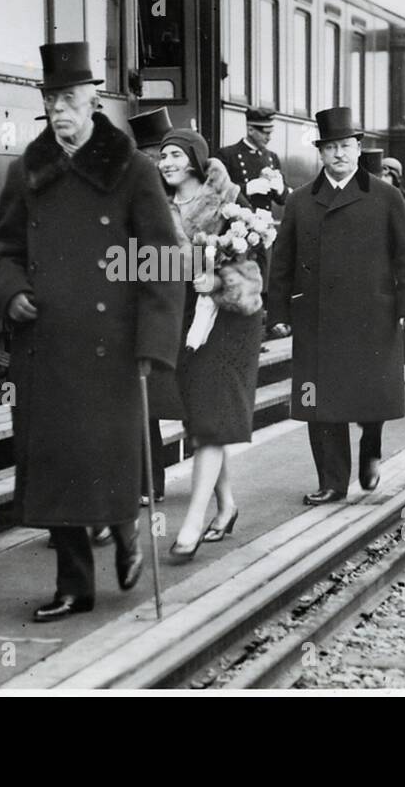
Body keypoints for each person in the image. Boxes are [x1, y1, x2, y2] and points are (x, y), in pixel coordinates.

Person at [0, 41, 183, 623]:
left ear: (93, 101)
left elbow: (161, 259)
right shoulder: (27, 171)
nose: (59, 111)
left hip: (112, 347)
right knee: (56, 468)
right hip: (46, 346)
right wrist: (12, 289)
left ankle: (124, 532)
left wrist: (153, 342)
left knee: (108, 460)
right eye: (51, 100)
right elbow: (1, 250)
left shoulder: (132, 170)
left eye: (69, 100)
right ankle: (74, 586)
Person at [267, 107, 405, 504]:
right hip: (317, 321)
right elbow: (282, 262)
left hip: (373, 317)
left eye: (346, 146)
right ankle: (332, 481)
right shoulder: (302, 201)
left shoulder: (386, 197)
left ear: (358, 149)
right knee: (318, 403)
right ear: (320, 153)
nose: (339, 154)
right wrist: (280, 314)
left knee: (371, 399)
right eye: (331, 147)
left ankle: (371, 443)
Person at [155, 129, 265, 559]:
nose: (166, 162)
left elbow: (255, 274)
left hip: (227, 322)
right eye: (163, 156)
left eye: (176, 155)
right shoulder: (156, 208)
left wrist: (218, 280)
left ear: (196, 161)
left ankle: (192, 523)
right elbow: (137, 261)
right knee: (200, 419)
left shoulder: (231, 203)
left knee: (211, 417)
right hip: (183, 320)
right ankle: (227, 505)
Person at [128, 106, 176, 505]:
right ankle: (150, 482)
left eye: (161, 154)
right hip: (144, 303)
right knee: (148, 404)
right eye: (150, 156)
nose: (158, 163)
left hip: (178, 306)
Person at [212, 106, 287, 212]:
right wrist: (246, 188)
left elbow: (283, 200)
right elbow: (216, 190)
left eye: (270, 133)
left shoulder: (272, 157)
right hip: (236, 224)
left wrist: (281, 189)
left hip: (264, 223)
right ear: (250, 130)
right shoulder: (227, 155)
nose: (269, 138)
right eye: (265, 133)